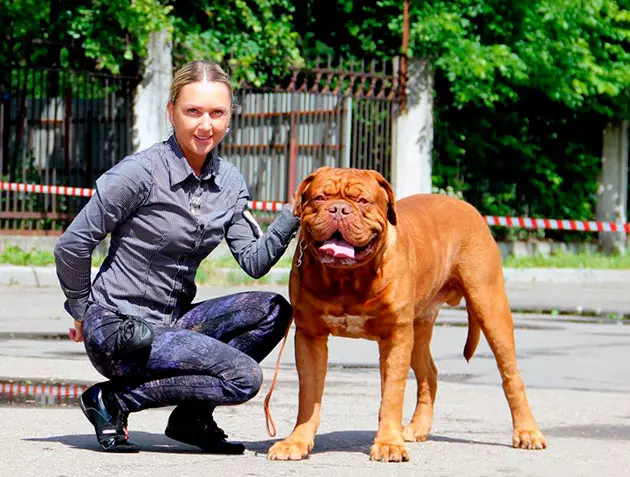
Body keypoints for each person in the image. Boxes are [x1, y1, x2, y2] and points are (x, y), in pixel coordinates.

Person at [54, 60, 300, 454]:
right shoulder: (139, 173)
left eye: (217, 113)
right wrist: (82, 311)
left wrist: (293, 215)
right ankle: (113, 400)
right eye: (194, 111)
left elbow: (254, 261)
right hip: (119, 329)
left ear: (229, 117)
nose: (206, 125)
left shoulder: (230, 182)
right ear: (171, 112)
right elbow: (72, 245)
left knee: (273, 310)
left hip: (173, 324)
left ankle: (191, 418)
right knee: (243, 378)